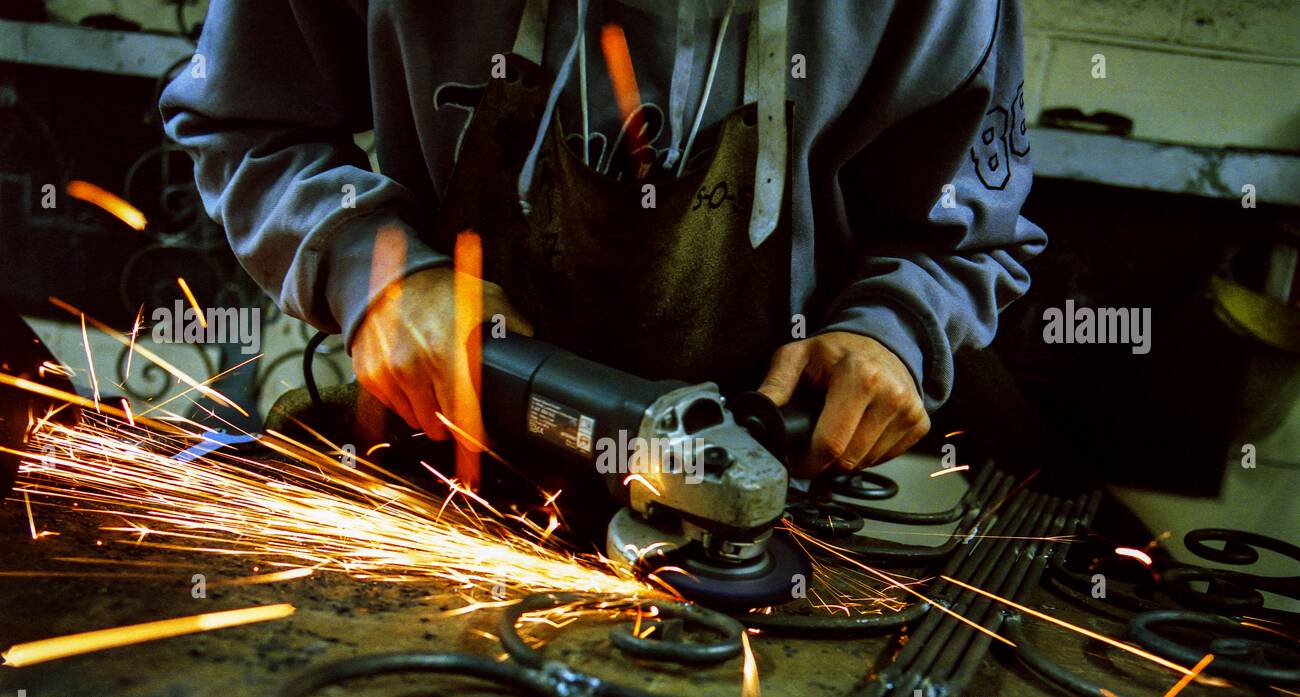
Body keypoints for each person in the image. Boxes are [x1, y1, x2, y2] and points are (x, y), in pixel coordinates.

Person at [162, 0, 1045, 475]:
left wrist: (885, 334)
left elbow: (960, 231)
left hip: (772, 487)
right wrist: (381, 276)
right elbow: (248, 122)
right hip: (442, 452)